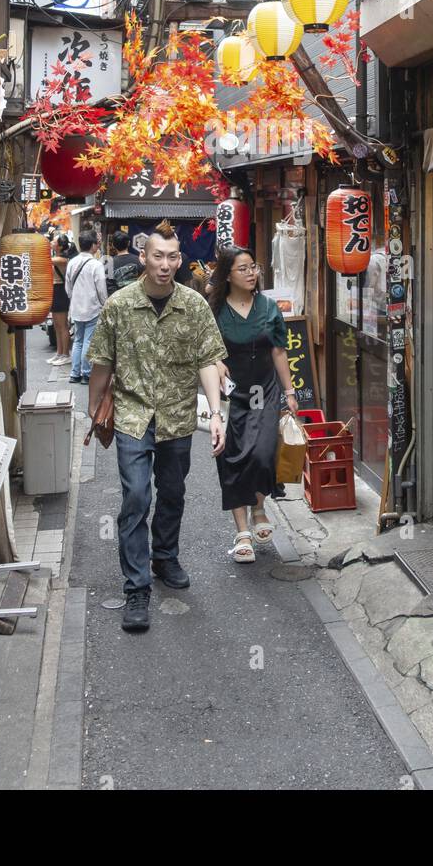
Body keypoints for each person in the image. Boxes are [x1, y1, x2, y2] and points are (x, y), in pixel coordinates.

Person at [86, 220, 227, 632]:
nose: (165, 265)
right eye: (157, 257)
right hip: (131, 415)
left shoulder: (194, 305)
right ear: (143, 257)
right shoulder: (120, 305)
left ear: (179, 260)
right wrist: (95, 411)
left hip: (178, 416)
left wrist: (216, 414)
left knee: (174, 492)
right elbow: (102, 363)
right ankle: (136, 588)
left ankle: (165, 556)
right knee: (134, 497)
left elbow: (207, 361)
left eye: (172, 257)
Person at [206, 246, 299, 564]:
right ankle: (242, 532)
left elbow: (278, 352)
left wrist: (289, 391)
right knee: (231, 458)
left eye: (253, 267)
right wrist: (216, 361)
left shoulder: (269, 307)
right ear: (227, 275)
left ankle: (259, 506)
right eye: (243, 268)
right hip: (231, 395)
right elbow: (206, 350)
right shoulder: (215, 311)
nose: (251, 273)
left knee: (261, 453)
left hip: (265, 391)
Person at [65, 231, 108, 385]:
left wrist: (74, 300)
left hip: (76, 308)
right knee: (88, 341)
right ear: (92, 246)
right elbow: (101, 289)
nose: (97, 246)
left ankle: (74, 374)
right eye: (96, 243)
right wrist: (105, 303)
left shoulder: (71, 262)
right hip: (92, 308)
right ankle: (86, 374)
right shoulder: (96, 265)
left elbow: (68, 288)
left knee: (77, 340)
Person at [47, 233, 74, 365]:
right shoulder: (57, 258)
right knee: (57, 325)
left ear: (60, 246)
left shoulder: (62, 259)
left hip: (60, 291)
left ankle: (66, 354)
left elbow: (44, 259)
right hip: (55, 290)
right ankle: (59, 353)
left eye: (54, 241)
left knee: (62, 325)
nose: (51, 242)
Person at [106, 228, 143, 294]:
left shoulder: (109, 264)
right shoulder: (138, 260)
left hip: (117, 300)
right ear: (129, 243)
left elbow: (109, 287)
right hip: (136, 298)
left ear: (113, 245)